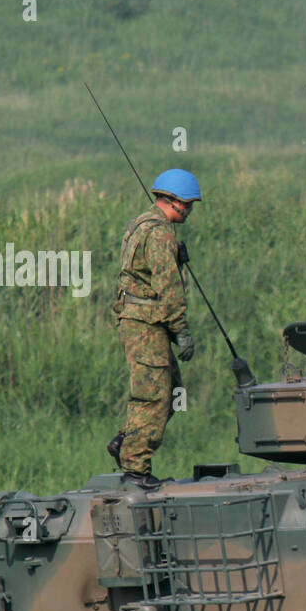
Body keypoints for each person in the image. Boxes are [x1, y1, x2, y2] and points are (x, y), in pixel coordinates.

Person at [106, 169, 199, 490]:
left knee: (171, 390)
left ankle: (125, 441)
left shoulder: (139, 224)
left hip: (142, 320)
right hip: (147, 323)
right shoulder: (160, 234)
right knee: (155, 395)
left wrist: (178, 260)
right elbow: (168, 287)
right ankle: (136, 468)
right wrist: (181, 331)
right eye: (189, 205)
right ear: (176, 202)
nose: (190, 211)